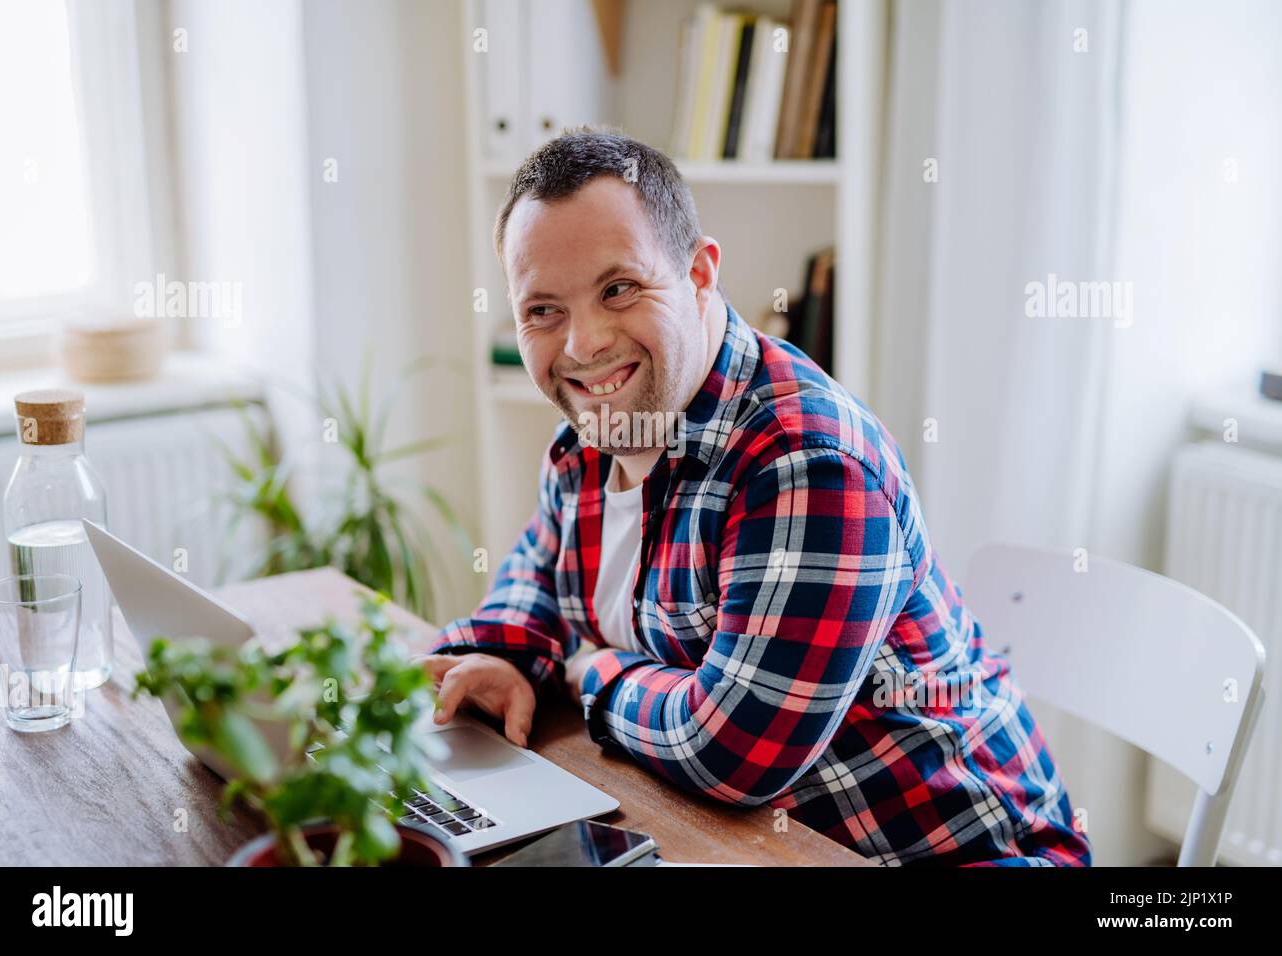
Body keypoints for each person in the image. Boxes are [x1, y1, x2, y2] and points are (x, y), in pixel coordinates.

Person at [422, 128, 1091, 866]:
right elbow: (538, 571)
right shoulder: (596, 434)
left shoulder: (807, 463)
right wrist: (502, 653)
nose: (582, 345)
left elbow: (732, 752)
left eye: (619, 288)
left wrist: (591, 672)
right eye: (542, 310)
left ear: (702, 273)